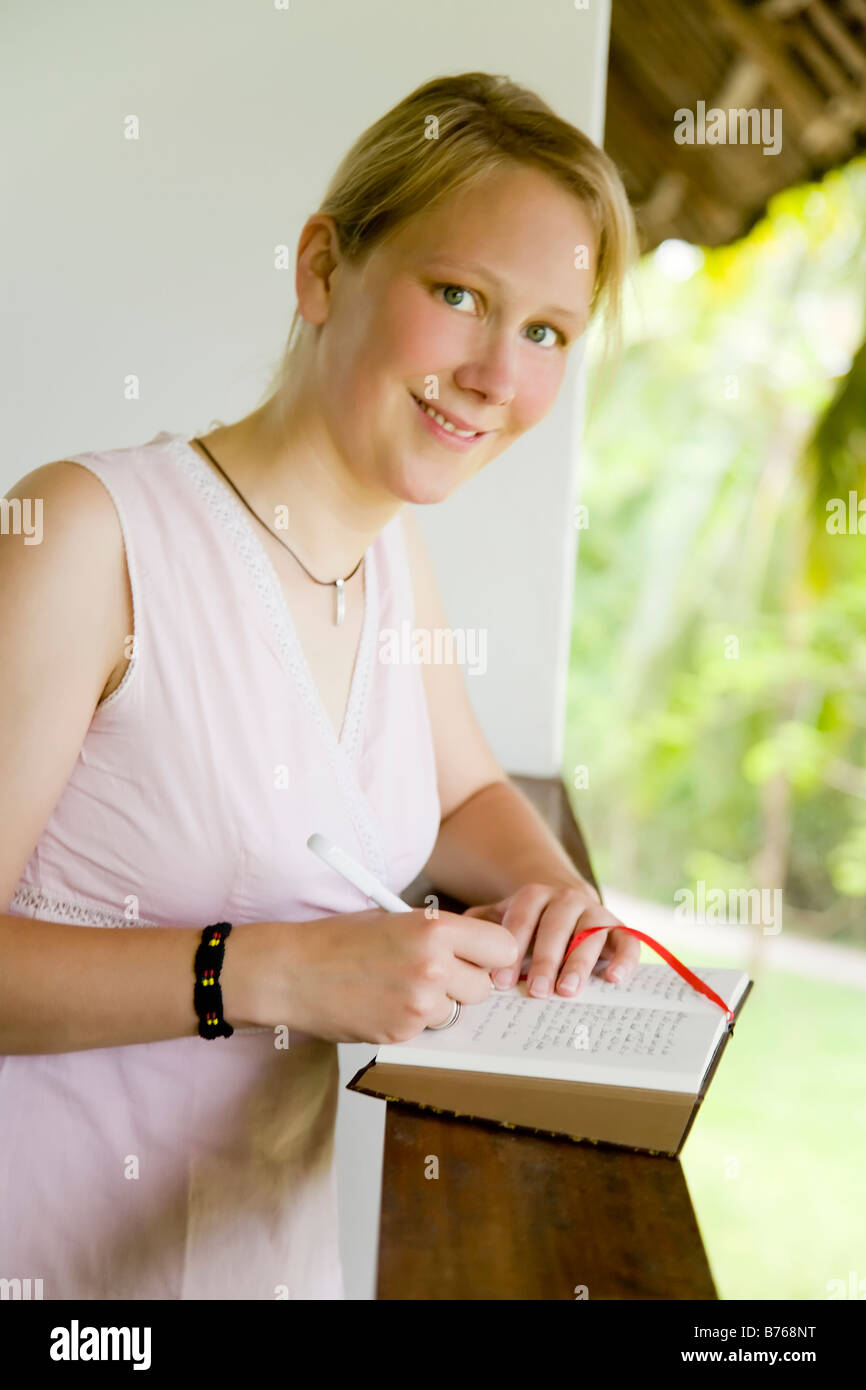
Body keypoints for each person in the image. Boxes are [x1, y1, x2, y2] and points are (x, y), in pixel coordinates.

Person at [0, 71, 639, 1300]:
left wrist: (552, 891)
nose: (499, 375)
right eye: (459, 295)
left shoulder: (390, 557)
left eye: (547, 331)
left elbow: (459, 801)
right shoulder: (86, 535)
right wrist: (280, 970)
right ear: (320, 269)